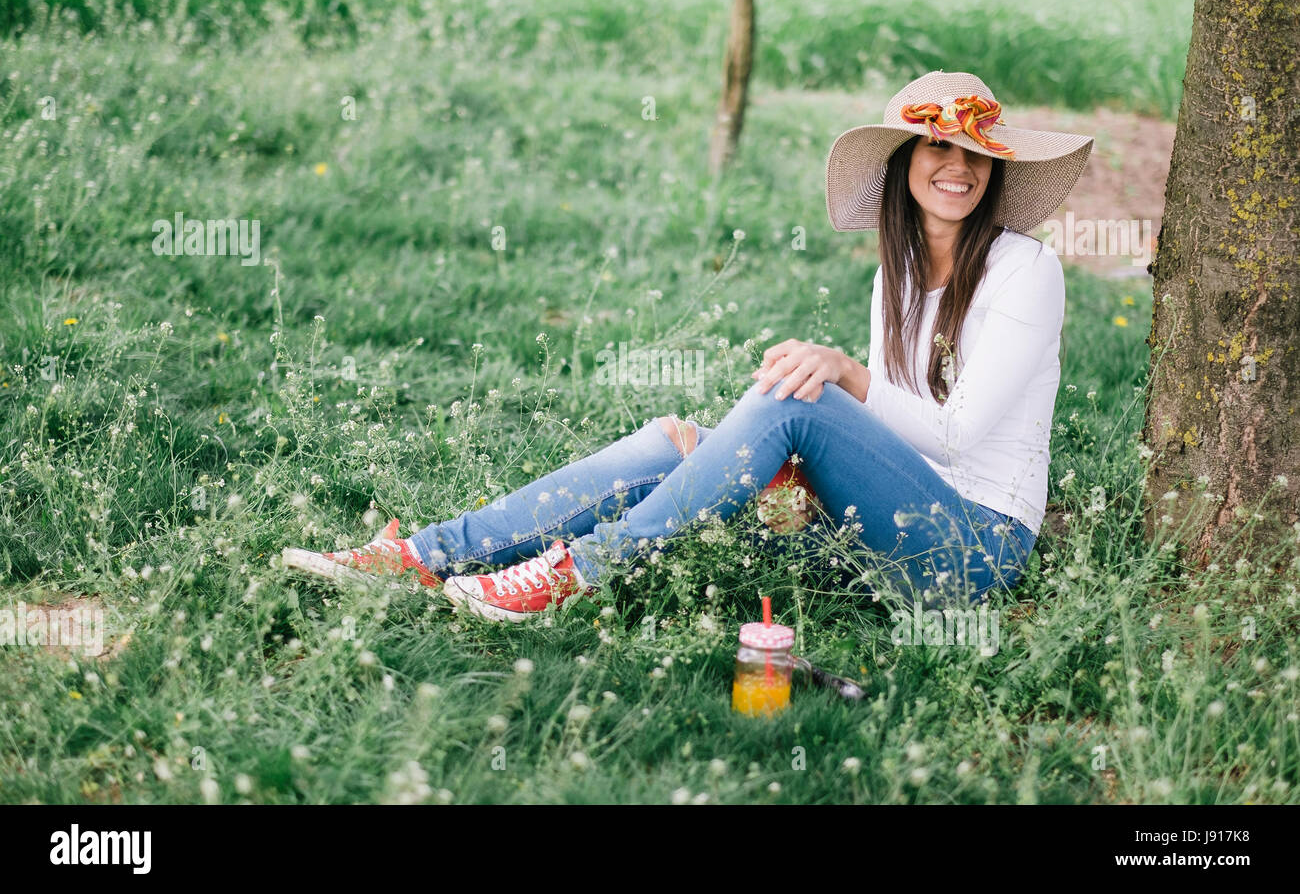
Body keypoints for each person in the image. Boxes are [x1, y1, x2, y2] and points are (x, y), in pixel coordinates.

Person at [282, 70, 1095, 622]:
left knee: (795, 398)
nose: (957, 166)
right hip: (886, 527)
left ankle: (578, 571)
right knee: (668, 446)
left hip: (969, 552)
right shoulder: (900, 274)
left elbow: (955, 438)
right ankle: (427, 555)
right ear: (904, 162)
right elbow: (890, 437)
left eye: (975, 152)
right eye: (936, 146)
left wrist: (843, 377)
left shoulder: (1027, 272)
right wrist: (772, 463)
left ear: (995, 168)